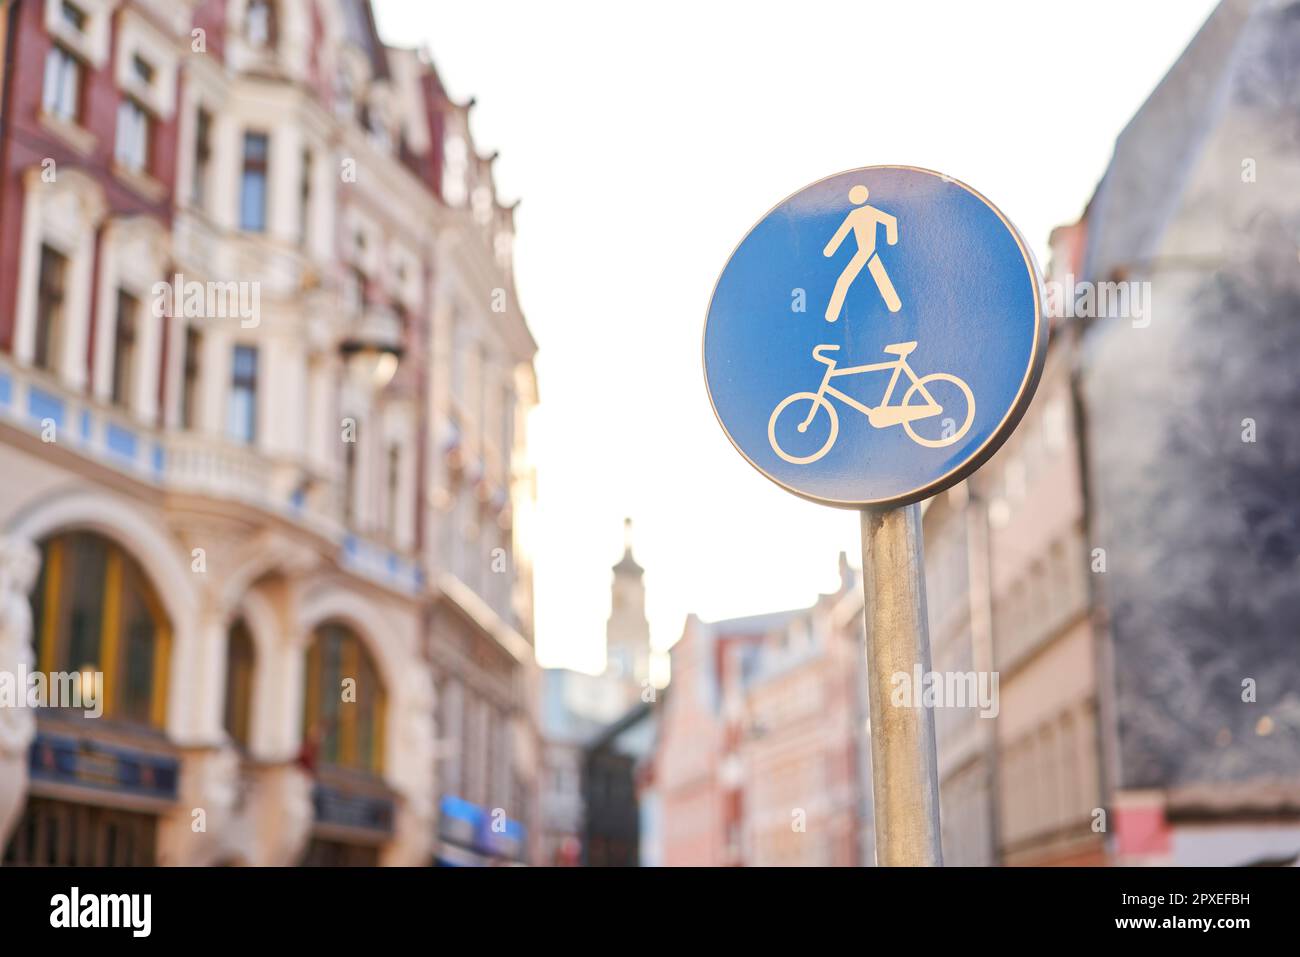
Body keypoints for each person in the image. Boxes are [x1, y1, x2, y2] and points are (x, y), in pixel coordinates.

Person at [822, 184, 901, 321]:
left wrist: (892, 240)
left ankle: (831, 315)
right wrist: (830, 250)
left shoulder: (871, 211)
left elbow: (890, 220)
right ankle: (895, 305)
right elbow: (841, 233)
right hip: (866, 251)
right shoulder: (854, 215)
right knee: (881, 278)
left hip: (867, 250)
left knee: (843, 280)